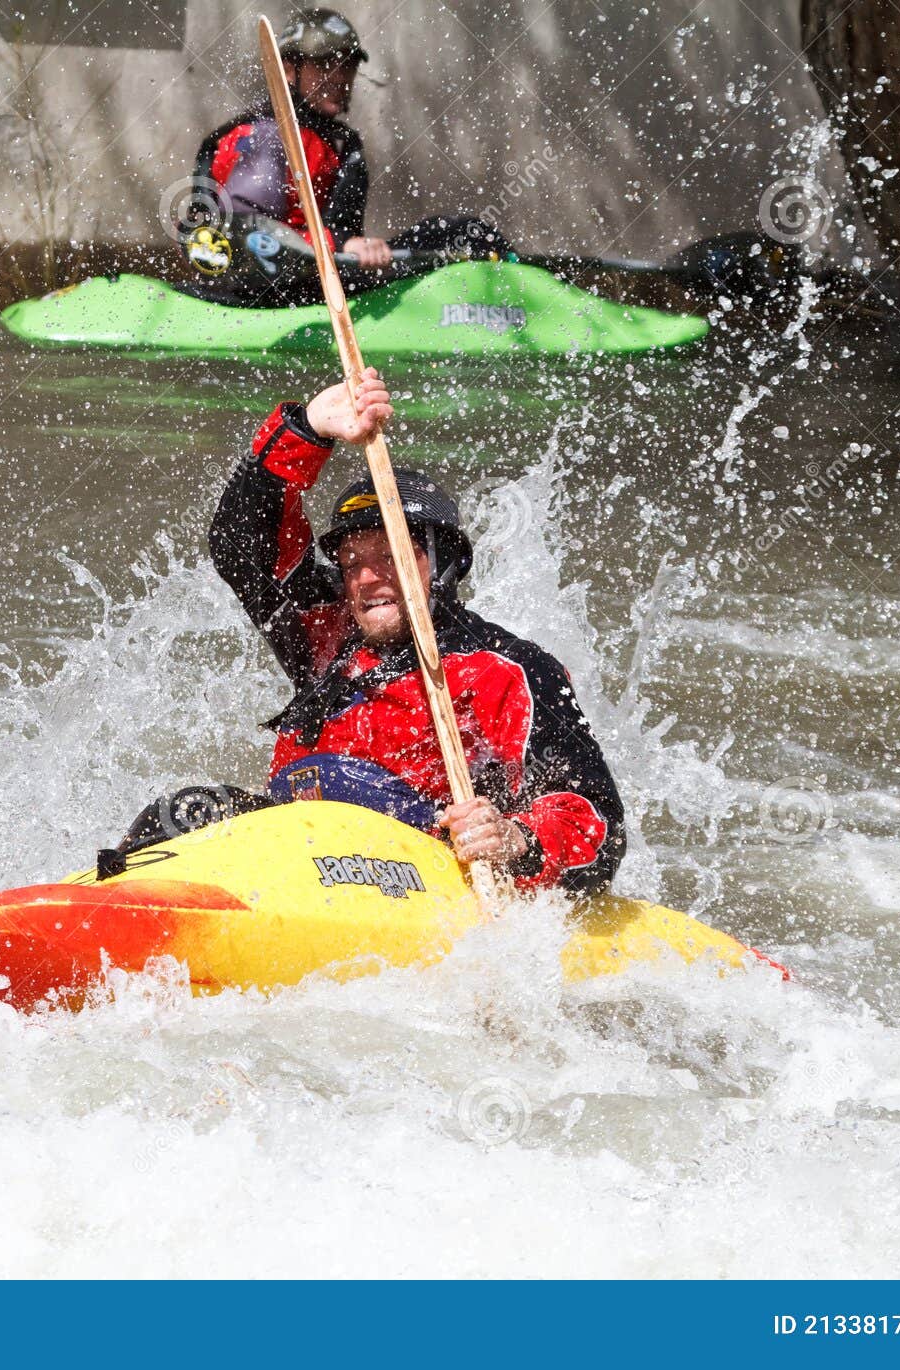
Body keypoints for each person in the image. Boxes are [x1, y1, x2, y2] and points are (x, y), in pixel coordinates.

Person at [193, 369, 626, 892]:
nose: (369, 577)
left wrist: (514, 838)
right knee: (187, 812)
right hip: (304, 852)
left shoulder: (507, 668)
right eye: (352, 560)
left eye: (392, 555)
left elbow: (594, 818)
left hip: (421, 873)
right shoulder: (326, 635)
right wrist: (308, 428)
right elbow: (241, 547)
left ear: (443, 567)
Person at [179, 8, 511, 305]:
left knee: (467, 232)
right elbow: (249, 235)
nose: (339, 77)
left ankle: (515, 299)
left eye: (347, 64)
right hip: (264, 293)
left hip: (327, 276)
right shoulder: (264, 136)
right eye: (325, 64)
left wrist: (348, 248)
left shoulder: (338, 142)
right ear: (289, 71)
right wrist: (339, 244)